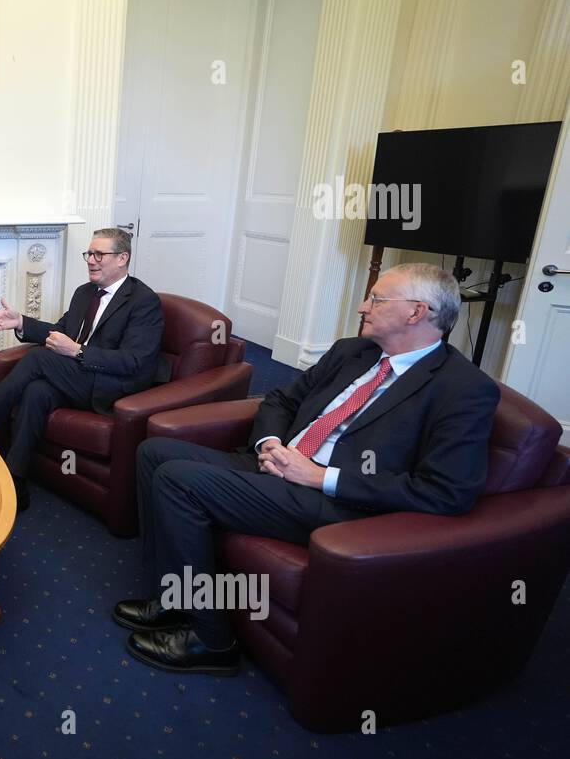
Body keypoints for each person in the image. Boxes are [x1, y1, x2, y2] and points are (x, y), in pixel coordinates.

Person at [116, 263, 500, 675]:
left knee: (178, 480)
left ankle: (210, 639)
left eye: (376, 299)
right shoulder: (352, 352)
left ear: (416, 312)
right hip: (278, 463)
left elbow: (447, 492)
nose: (361, 306)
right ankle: (174, 595)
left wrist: (319, 476)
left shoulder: (464, 389)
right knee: (154, 451)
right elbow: (281, 400)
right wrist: (272, 444)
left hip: (335, 502)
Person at [0, 227, 163, 510]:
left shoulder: (144, 301)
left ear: (123, 258)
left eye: (100, 254)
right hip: (77, 377)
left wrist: (78, 351)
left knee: (39, 359)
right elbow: (59, 333)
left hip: (110, 386)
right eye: (89, 253)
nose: (91, 260)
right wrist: (22, 323)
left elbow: (134, 361)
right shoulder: (84, 293)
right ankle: (16, 479)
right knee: (37, 391)